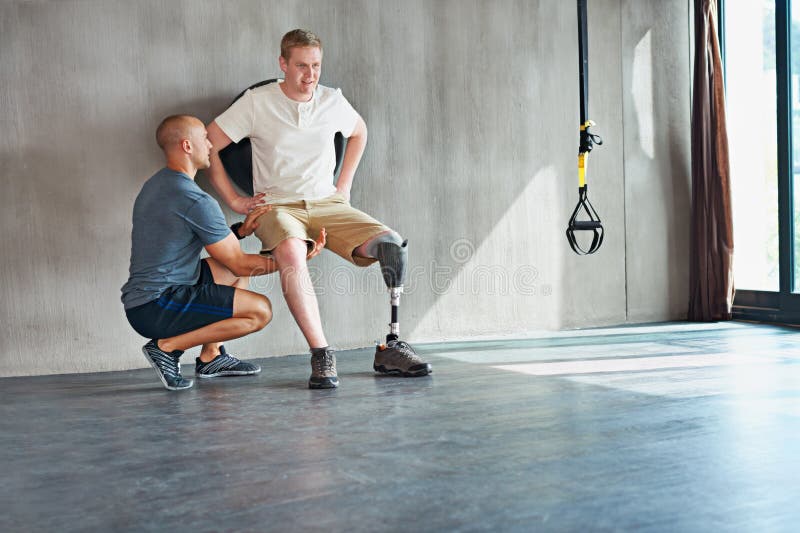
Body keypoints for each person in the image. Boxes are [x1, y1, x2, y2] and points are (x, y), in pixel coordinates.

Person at [206, 29, 431, 390]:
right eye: (300, 66)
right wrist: (235, 200)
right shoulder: (256, 101)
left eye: (316, 66)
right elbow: (208, 143)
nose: (309, 75)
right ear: (282, 64)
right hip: (277, 207)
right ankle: (321, 352)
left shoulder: (332, 100)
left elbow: (359, 131)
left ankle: (391, 345)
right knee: (292, 254)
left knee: (392, 244)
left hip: (326, 203)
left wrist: (344, 186)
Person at [121, 115, 325, 390]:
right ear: (187, 146)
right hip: (157, 305)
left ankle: (211, 356)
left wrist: (239, 232)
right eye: (204, 138)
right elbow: (241, 264)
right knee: (259, 311)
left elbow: (194, 242)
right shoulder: (194, 199)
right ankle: (166, 348)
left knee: (228, 269)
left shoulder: (159, 185)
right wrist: (293, 260)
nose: (210, 145)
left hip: (146, 300)